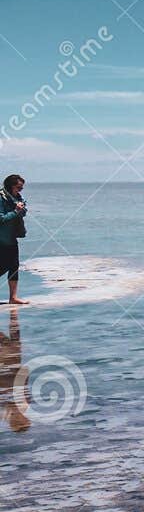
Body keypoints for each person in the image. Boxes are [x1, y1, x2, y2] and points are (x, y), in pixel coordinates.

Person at [0, 175, 28, 305]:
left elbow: (23, 213)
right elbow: (1, 219)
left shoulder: (17, 198)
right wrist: (16, 211)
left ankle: (13, 298)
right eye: (18, 188)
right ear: (10, 186)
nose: (21, 190)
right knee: (3, 267)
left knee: (14, 266)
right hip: (1, 239)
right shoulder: (1, 198)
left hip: (11, 238)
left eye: (22, 188)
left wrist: (22, 209)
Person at [0, 309, 29, 431]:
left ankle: (14, 313)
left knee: (13, 340)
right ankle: (14, 313)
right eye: (24, 420)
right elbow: (25, 382)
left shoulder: (4, 412)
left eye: (18, 421)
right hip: (12, 366)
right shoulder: (25, 405)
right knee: (15, 339)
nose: (21, 418)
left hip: (5, 367)